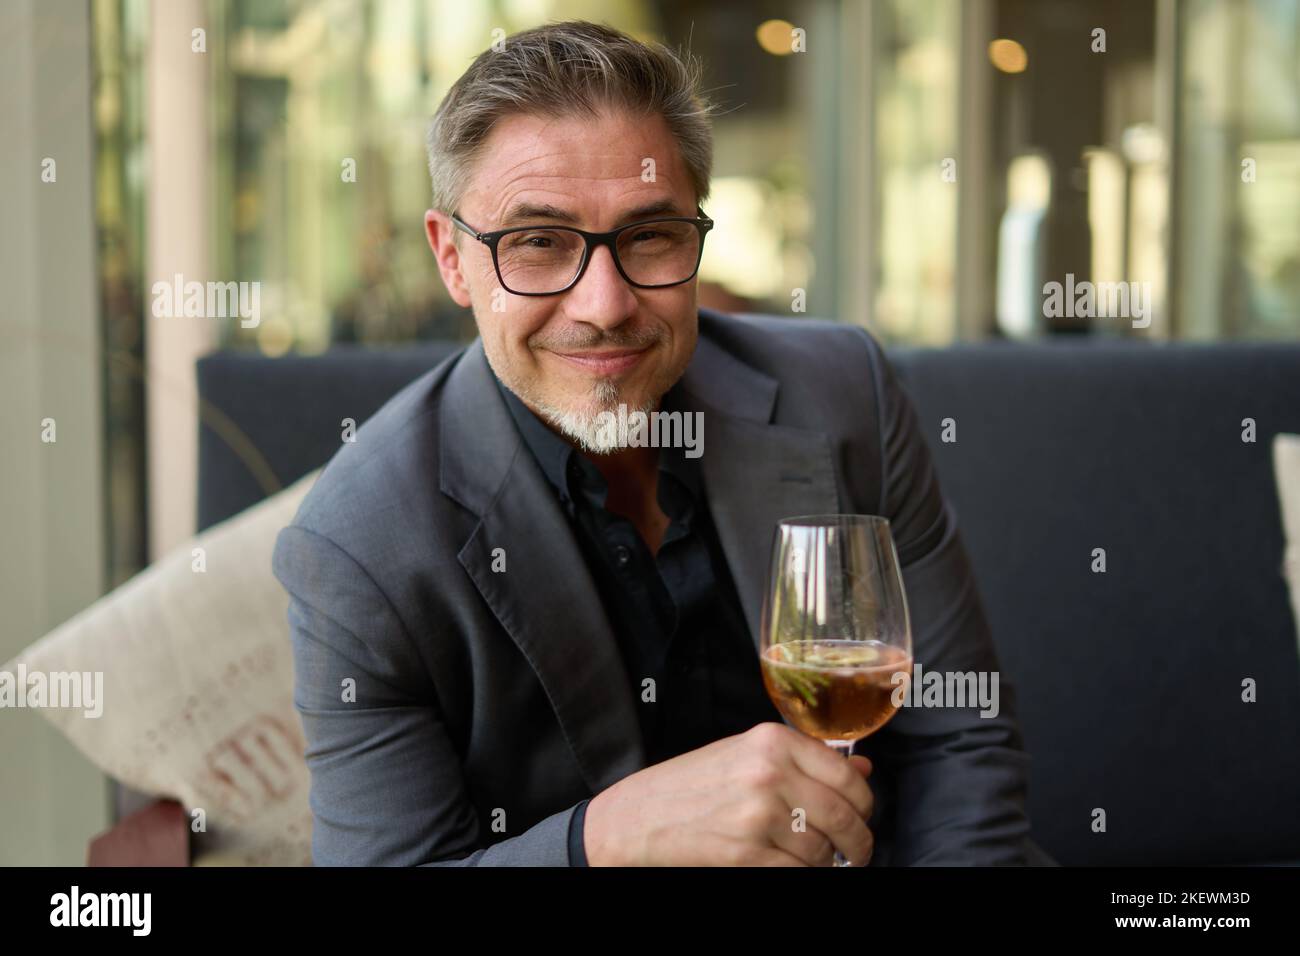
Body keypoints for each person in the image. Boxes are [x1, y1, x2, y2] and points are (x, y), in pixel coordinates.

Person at [273, 19, 1051, 866]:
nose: (604, 304)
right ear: (452, 260)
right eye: (537, 243)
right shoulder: (357, 547)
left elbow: (958, 742)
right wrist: (602, 839)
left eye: (649, 236)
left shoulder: (845, 390)